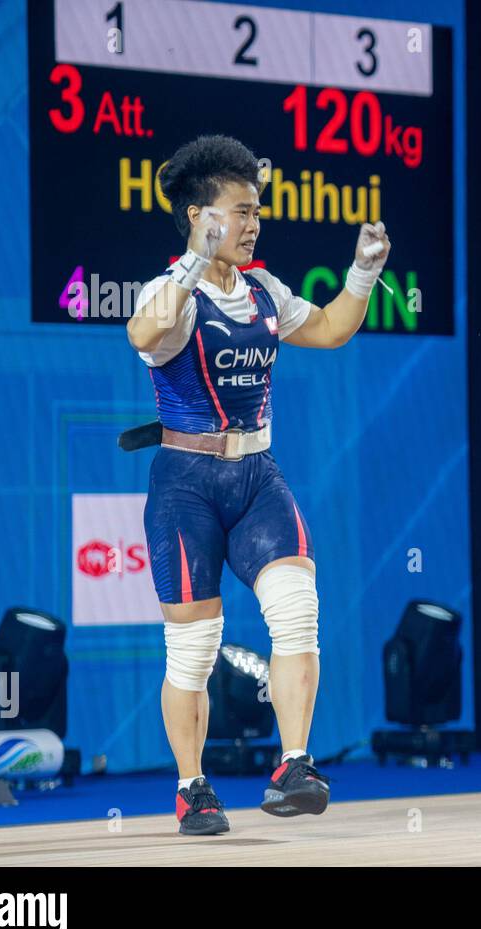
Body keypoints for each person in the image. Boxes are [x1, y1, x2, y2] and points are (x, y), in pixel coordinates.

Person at [125, 134, 389, 835]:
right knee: (194, 649)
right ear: (197, 217)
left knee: (297, 608)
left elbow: (331, 329)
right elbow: (141, 333)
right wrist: (190, 262)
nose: (253, 223)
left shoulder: (264, 290)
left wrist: (361, 274)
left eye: (255, 210)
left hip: (257, 477)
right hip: (185, 485)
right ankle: (193, 788)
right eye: (239, 211)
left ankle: (294, 765)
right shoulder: (170, 293)